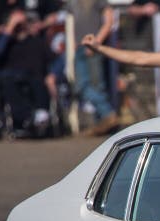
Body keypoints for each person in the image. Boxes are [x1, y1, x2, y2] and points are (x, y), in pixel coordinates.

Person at [67, 0, 118, 135]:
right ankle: (106, 115)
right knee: (81, 86)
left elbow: (109, 21)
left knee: (96, 85)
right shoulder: (73, 3)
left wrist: (97, 42)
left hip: (92, 47)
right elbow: (71, 24)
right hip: (79, 48)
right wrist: (73, 43)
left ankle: (105, 118)